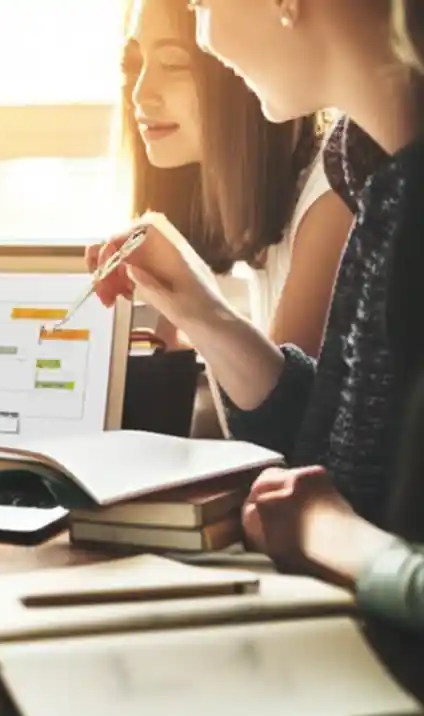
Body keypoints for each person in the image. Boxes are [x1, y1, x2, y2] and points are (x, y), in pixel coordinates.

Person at [90, 0, 424, 630]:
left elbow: (335, 500)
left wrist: (330, 532)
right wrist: (206, 316)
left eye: (199, 5)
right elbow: (329, 450)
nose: (206, 34)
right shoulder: (378, 180)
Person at [122, 0, 350, 357]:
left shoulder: (333, 194)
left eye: (173, 63)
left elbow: (283, 404)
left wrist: (203, 317)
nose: (140, 93)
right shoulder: (267, 207)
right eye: (136, 64)